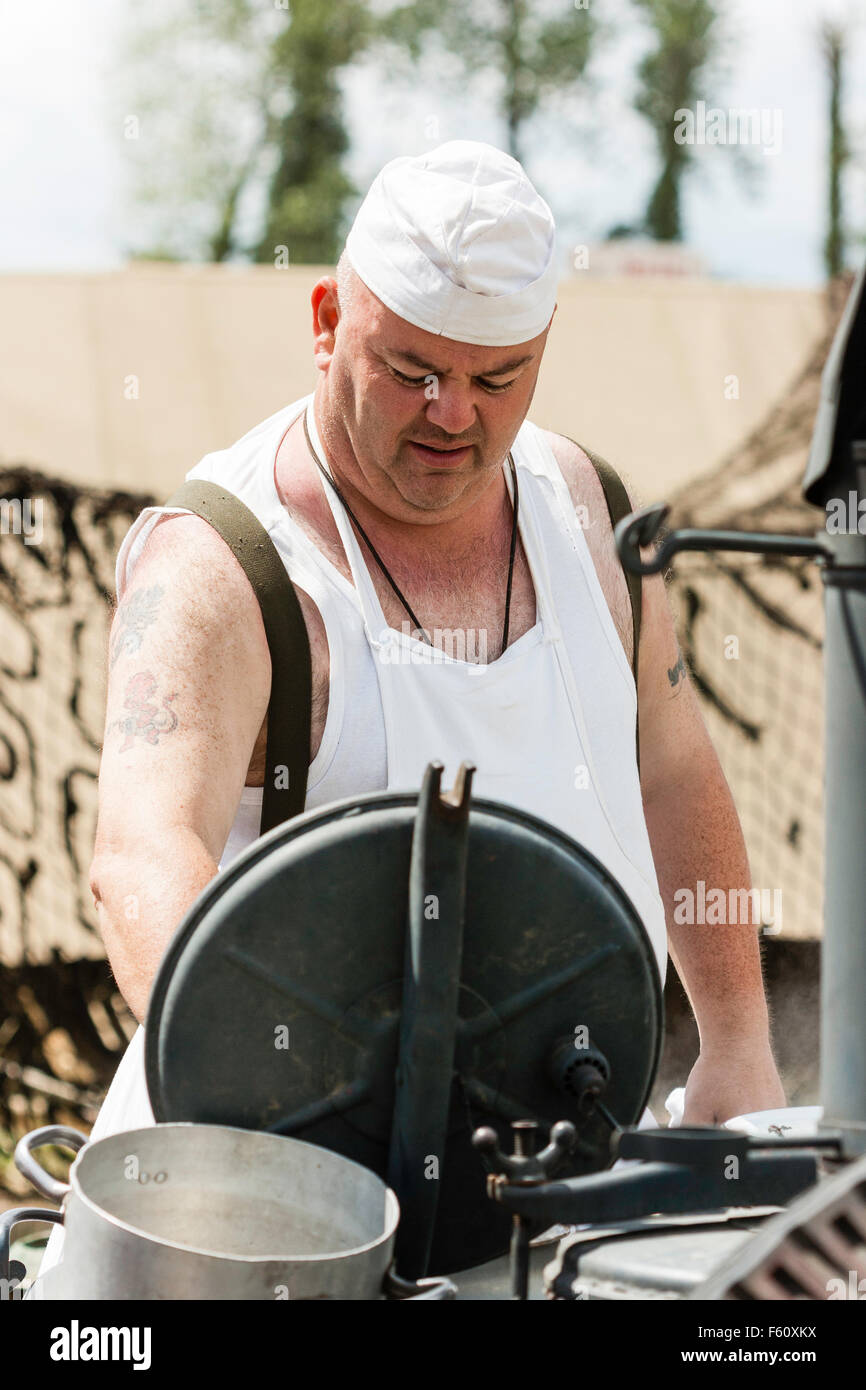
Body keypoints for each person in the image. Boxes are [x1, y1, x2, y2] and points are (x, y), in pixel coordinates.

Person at [43, 140, 784, 1273]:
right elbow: (142, 855)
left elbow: (670, 764)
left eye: (497, 379)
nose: (451, 415)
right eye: (410, 367)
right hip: (257, 1219)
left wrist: (734, 1041)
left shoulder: (591, 513)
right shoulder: (225, 565)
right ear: (328, 315)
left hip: (546, 1197)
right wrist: (280, 1161)